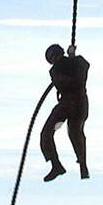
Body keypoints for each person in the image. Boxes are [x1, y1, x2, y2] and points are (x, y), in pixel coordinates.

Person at [40, 44, 90, 182]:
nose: (54, 60)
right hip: (72, 105)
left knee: (73, 132)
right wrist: (72, 59)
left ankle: (82, 165)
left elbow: (78, 76)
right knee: (50, 132)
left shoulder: (69, 65)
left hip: (72, 105)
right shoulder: (58, 69)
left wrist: (72, 59)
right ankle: (60, 165)